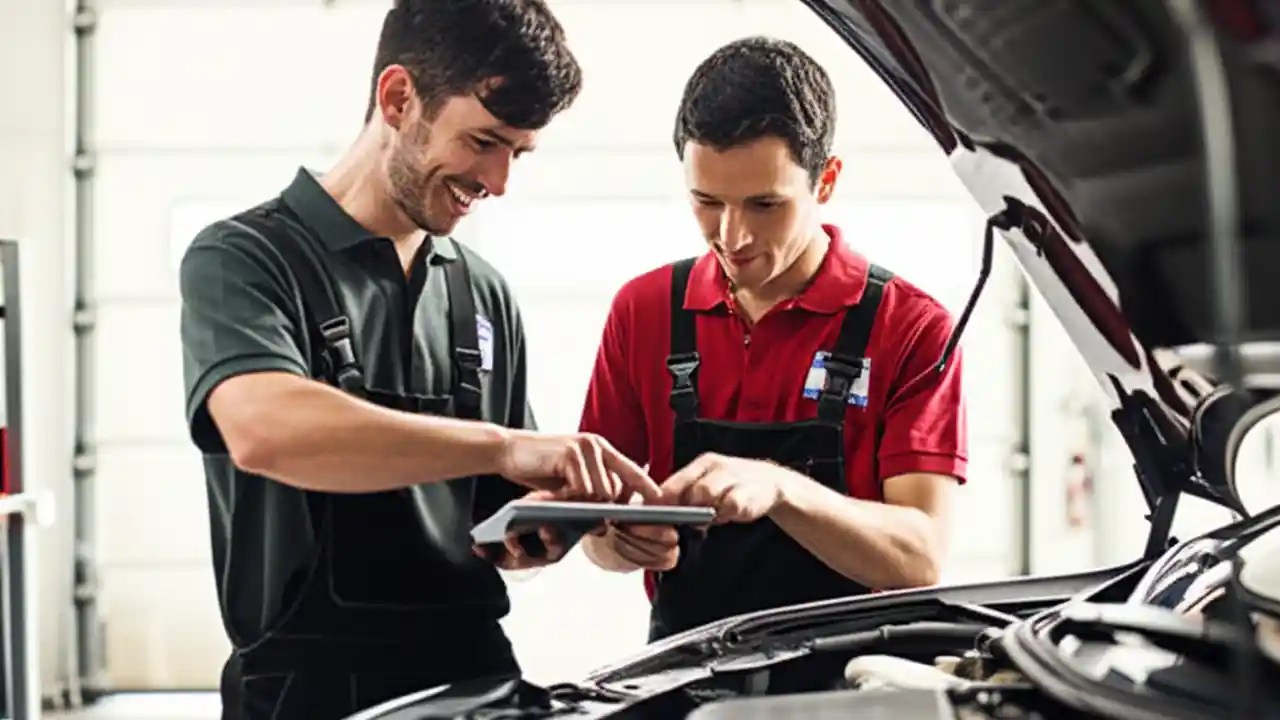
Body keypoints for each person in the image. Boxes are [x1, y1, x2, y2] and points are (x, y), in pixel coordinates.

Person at [178, 2, 659, 718]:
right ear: (399, 98)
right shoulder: (244, 260)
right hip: (305, 693)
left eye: (517, 154)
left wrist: (568, 526)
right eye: (483, 143)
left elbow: (497, 513)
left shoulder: (485, 294)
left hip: (475, 682)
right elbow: (265, 430)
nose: (498, 183)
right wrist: (505, 446)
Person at [578, 36, 967, 641]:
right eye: (706, 202)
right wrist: (621, 543)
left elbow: (918, 559)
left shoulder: (911, 328)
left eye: (764, 205)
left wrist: (780, 488)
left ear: (827, 179)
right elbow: (593, 538)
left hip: (847, 686)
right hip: (685, 677)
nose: (732, 236)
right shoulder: (643, 311)